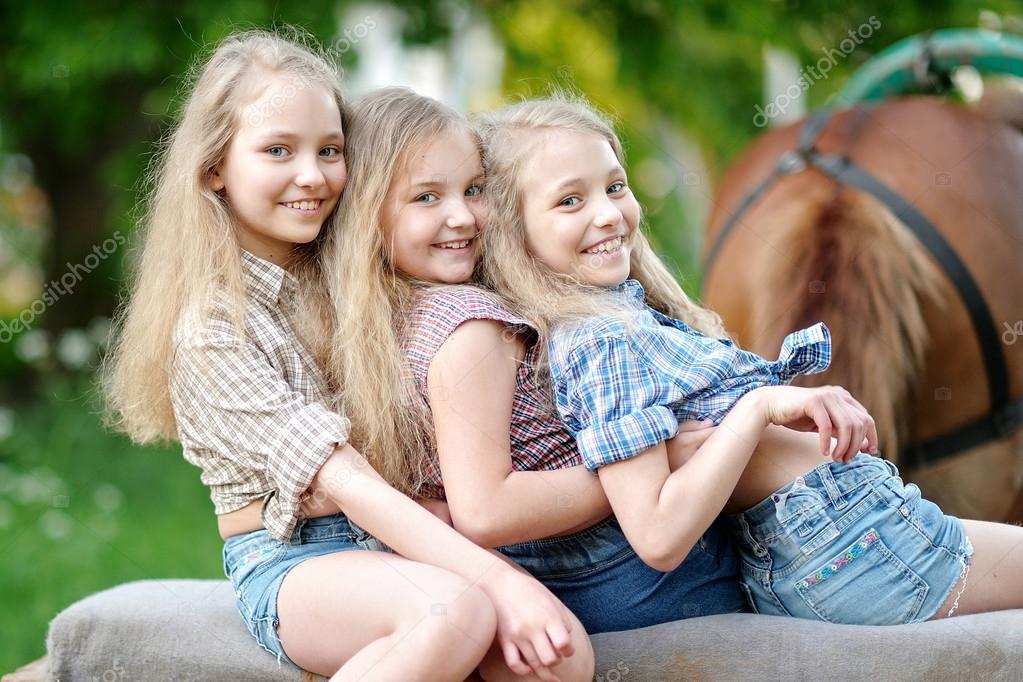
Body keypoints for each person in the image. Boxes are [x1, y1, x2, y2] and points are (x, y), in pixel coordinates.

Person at [102, 32, 583, 682]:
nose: (312, 175)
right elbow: (344, 479)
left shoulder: (349, 275)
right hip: (294, 561)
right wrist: (501, 580)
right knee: (455, 611)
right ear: (215, 166)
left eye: (329, 150)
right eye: (278, 150)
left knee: (559, 660)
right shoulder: (212, 330)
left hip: (396, 531)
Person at [475, 94, 1023, 625]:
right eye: (569, 201)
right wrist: (759, 408)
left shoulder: (606, 318)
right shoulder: (604, 341)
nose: (608, 214)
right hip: (848, 541)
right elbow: (658, 534)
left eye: (615, 186)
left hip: (828, 540)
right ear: (512, 229)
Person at [319, 86, 748, 638]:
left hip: (583, 570)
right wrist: (651, 462)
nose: (463, 216)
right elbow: (485, 510)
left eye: (474, 190)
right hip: (626, 574)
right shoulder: (471, 323)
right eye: (426, 197)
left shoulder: (378, 325)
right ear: (366, 213)